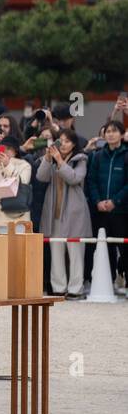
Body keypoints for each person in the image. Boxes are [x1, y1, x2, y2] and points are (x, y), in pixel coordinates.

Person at [36, 128, 92, 300]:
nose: (63, 144)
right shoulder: (51, 159)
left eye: (67, 141)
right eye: (61, 141)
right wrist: (47, 158)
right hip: (54, 213)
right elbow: (40, 177)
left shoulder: (81, 159)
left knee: (76, 253)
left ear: (74, 144)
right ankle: (59, 288)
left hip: (74, 213)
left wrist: (60, 160)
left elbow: (75, 178)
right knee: (56, 252)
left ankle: (76, 289)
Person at [86, 119, 127, 289]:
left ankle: (124, 280)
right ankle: (107, 284)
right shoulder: (97, 156)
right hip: (101, 211)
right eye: (107, 131)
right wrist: (97, 201)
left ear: (122, 134)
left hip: (122, 211)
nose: (110, 134)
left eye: (114, 131)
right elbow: (91, 181)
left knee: (124, 249)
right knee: (104, 248)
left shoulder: (126, 155)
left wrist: (115, 201)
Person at [0, 135, 32, 227]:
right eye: (2, 148)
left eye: (8, 148)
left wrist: (7, 165)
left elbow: (21, 184)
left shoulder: (24, 165)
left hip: (19, 220)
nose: (4, 151)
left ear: (15, 151)